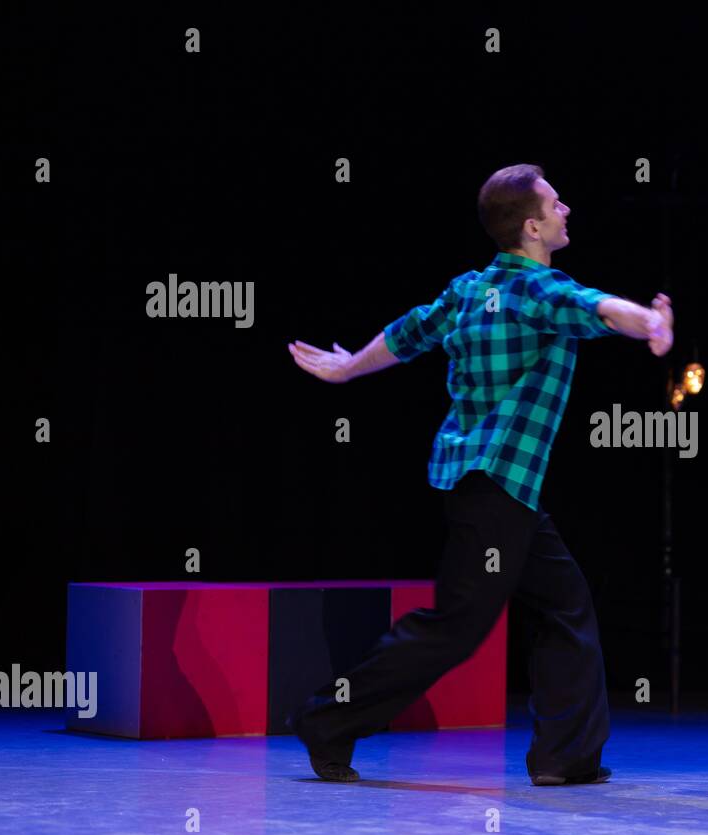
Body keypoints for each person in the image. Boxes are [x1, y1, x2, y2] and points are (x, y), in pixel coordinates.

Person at [285, 163, 674, 785]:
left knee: (566, 607)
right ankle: (329, 720)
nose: (566, 209)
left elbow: (409, 333)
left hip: (493, 486)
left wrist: (349, 368)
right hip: (496, 484)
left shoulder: (469, 289)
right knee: (456, 627)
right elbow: (591, 305)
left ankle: (564, 758)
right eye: (556, 203)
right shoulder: (533, 291)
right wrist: (649, 323)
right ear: (531, 226)